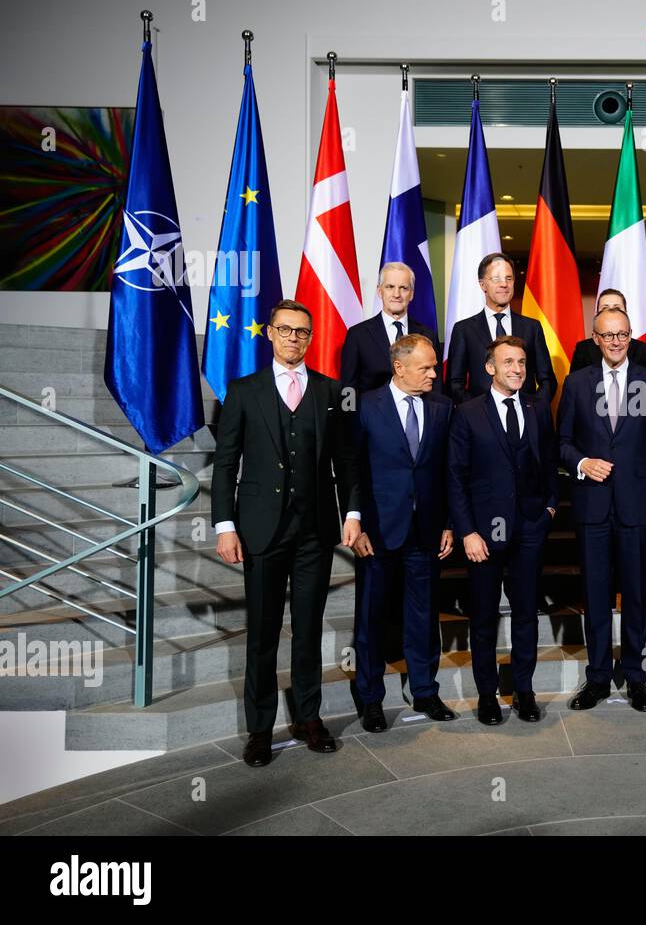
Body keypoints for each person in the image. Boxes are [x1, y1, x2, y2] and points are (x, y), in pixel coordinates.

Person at [212, 299, 361, 767]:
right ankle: (259, 729)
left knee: (308, 629)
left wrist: (351, 513)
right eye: (286, 330)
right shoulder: (242, 391)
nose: (294, 338)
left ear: (310, 338)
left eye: (302, 331)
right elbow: (225, 465)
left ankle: (308, 718)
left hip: (314, 531)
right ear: (270, 334)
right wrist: (225, 525)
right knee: (261, 632)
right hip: (260, 531)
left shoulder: (330, 391)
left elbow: (346, 463)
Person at [557, 307, 646, 712]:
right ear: (595, 339)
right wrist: (581, 463)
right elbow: (562, 441)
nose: (615, 342)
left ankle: (636, 679)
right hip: (592, 508)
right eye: (607, 336)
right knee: (595, 595)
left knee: (637, 596)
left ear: (631, 338)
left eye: (622, 335)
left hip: (637, 509)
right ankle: (597, 680)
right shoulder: (576, 384)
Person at [448, 336, 559, 726]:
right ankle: (487, 694)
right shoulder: (467, 412)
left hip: (530, 527)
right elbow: (456, 477)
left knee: (526, 612)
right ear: (490, 368)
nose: (517, 369)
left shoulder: (538, 407)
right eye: (508, 362)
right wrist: (467, 532)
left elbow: (549, 462)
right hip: (483, 533)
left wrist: (549, 507)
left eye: (522, 362)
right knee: (483, 617)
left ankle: (524, 691)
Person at [349, 333, 457, 733]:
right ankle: (371, 699)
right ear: (399, 367)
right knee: (372, 618)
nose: (433, 374)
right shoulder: (365, 405)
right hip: (377, 531)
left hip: (427, 531)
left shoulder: (444, 407)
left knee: (424, 616)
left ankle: (426, 691)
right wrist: (355, 520)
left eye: (434, 367)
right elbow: (354, 469)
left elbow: (448, 470)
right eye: (425, 367)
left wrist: (448, 522)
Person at [444, 252, 556, 404]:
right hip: (480, 422)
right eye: (496, 279)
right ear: (482, 284)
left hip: (524, 419)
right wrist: (475, 412)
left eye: (508, 278)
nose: (504, 284)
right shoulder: (464, 330)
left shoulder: (532, 327)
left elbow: (547, 380)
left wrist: (533, 409)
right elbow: (454, 382)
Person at [340, 261, 442, 400]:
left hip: (417, 416)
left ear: (411, 294)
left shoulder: (427, 335)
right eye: (390, 287)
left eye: (403, 288)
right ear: (379, 291)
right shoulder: (358, 335)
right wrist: (349, 418)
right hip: (371, 418)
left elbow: (436, 386)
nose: (396, 294)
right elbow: (348, 387)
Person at [569, 288, 646, 373]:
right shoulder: (583, 349)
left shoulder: (641, 349)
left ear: (626, 312)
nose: (611, 313)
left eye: (617, 308)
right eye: (604, 308)